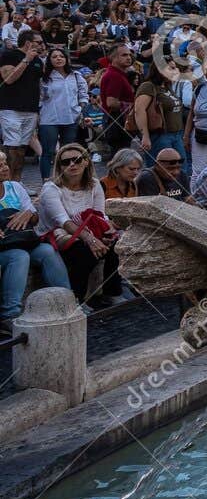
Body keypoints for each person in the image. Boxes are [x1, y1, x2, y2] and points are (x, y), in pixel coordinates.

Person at [36, 142, 124, 302]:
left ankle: (113, 292)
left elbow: (100, 214)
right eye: (66, 162)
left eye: (77, 160)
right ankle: (77, 299)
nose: (72, 164)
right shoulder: (51, 189)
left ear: (86, 162)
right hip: (57, 234)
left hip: (87, 230)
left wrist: (107, 233)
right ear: (60, 166)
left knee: (114, 245)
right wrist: (90, 239)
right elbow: (63, 221)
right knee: (84, 253)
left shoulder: (95, 184)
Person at [0, 147, 70, 324]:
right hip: (6, 248)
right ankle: (10, 314)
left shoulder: (14, 187)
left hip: (20, 240)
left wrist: (28, 215)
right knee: (19, 256)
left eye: (4, 163)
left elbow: (35, 217)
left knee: (46, 250)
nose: (5, 168)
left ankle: (67, 300)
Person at [0, 29, 46, 184]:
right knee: (12, 147)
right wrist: (26, 59)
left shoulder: (38, 61)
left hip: (31, 110)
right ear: (28, 43)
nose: (42, 45)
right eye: (39, 42)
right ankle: (7, 185)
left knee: (21, 150)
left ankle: (17, 184)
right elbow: (9, 79)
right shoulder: (9, 55)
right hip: (11, 108)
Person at [37, 47, 87, 178]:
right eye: (54, 57)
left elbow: (83, 94)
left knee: (67, 151)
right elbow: (40, 98)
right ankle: (46, 180)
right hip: (49, 118)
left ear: (66, 59)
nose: (58, 58)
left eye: (61, 56)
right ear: (49, 60)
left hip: (71, 117)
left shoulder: (76, 76)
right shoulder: (45, 78)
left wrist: (80, 107)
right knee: (48, 151)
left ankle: (64, 179)